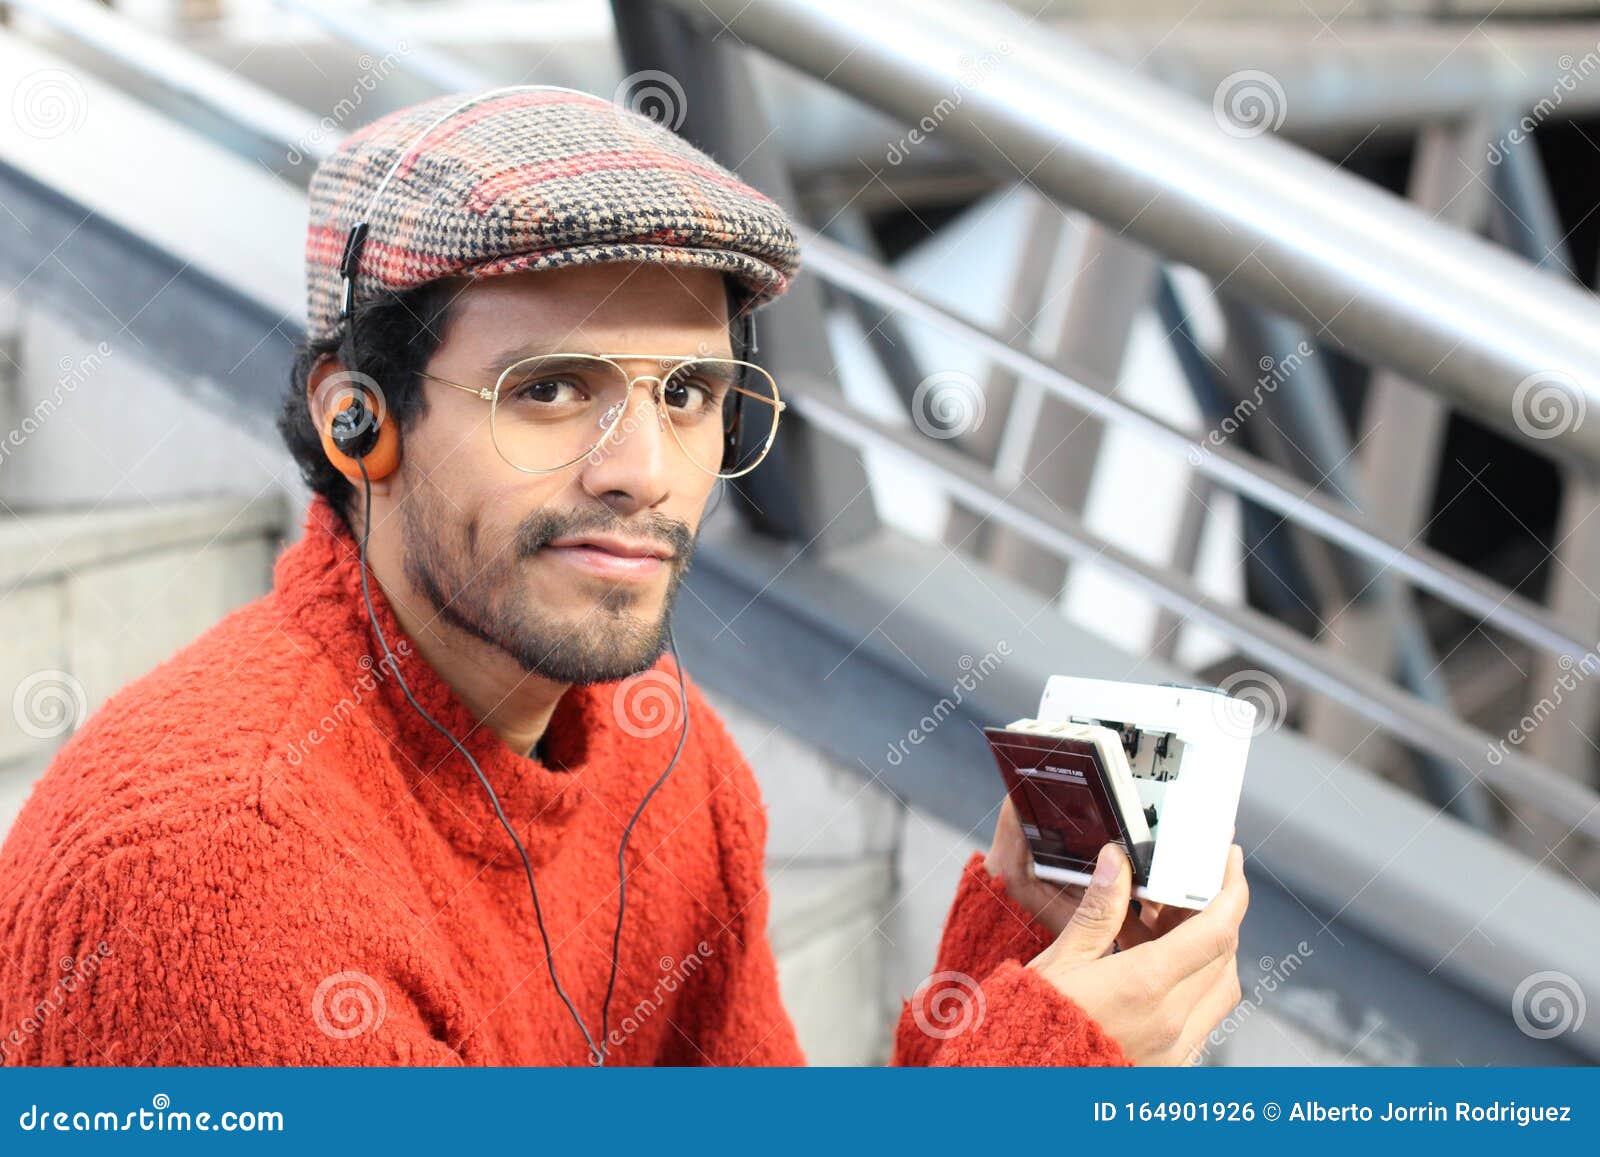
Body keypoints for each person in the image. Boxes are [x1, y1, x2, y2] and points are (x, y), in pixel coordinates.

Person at [0, 88, 1245, 1066]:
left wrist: (1014, 966)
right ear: (358, 418)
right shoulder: (208, 877)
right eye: (550, 388)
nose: (645, 471)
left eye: (689, 392)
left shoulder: (661, 755)